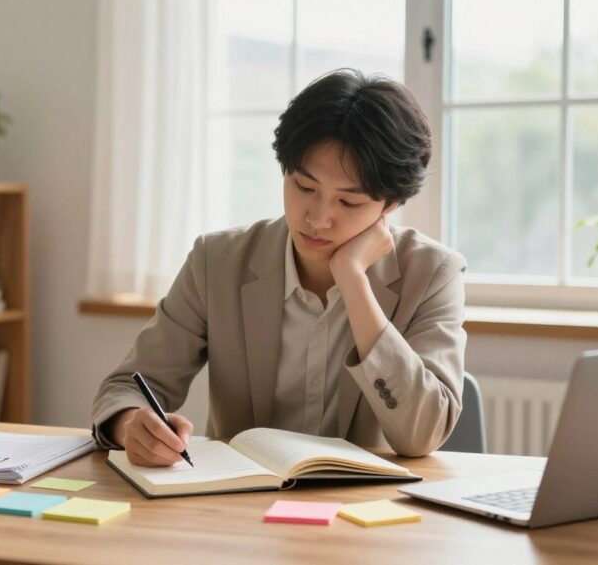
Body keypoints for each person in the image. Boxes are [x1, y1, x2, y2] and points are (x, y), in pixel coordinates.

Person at [90, 68, 466, 466]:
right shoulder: (217, 261)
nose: (318, 218)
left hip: (368, 511)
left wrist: (353, 279)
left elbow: (423, 434)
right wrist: (131, 425)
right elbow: (124, 388)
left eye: (349, 203)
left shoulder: (432, 273)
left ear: (390, 205)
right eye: (304, 187)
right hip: (242, 505)